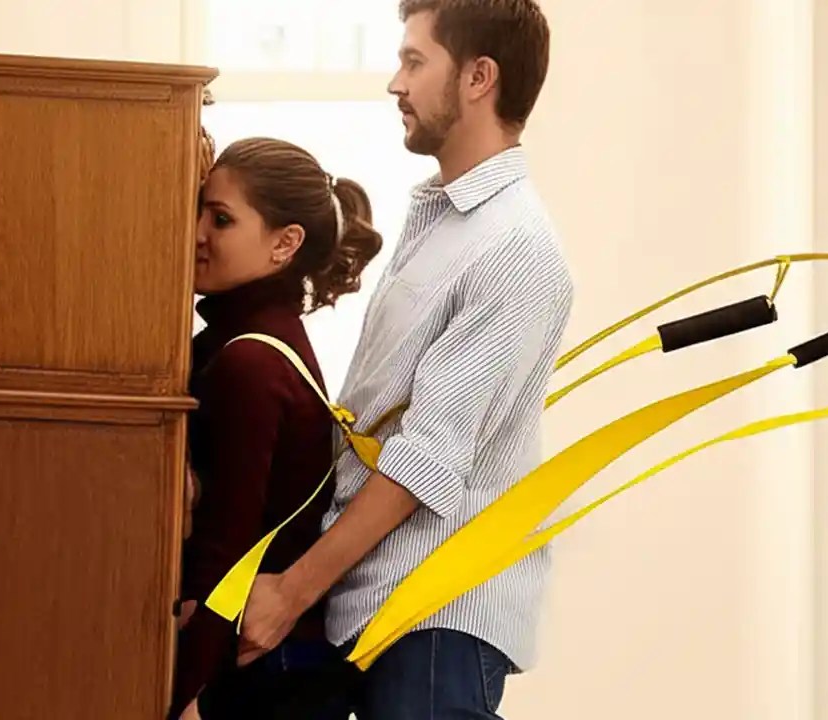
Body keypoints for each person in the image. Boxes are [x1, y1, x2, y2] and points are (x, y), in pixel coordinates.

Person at [237, 1, 572, 717]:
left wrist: (293, 590)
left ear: (480, 77)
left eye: (415, 61)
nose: (396, 82)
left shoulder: (516, 250)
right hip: (378, 602)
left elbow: (424, 461)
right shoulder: (444, 220)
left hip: (436, 613)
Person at [170, 137, 382, 719]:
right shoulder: (252, 340)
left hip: (262, 683)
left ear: (285, 244)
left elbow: (226, 552)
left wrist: (185, 696)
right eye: (199, 211)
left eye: (221, 219)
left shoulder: (251, 362)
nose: (196, 234)